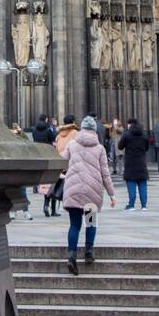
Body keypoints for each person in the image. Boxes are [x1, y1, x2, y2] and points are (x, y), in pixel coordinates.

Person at [61, 116, 116, 273]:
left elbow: (61, 161)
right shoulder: (99, 149)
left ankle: (71, 256)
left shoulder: (72, 144)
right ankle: (88, 253)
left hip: (74, 191)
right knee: (90, 223)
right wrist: (112, 194)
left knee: (74, 225)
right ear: (94, 130)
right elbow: (105, 173)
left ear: (81, 129)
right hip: (92, 192)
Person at [118, 117, 149, 209]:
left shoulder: (127, 135)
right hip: (141, 162)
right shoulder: (144, 135)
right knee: (142, 183)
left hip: (130, 163)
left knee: (131, 183)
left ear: (129, 124)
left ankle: (131, 205)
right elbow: (147, 148)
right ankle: (144, 205)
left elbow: (120, 146)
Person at [9, 122, 33, 219]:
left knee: (23, 191)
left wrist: (20, 133)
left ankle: (25, 211)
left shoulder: (22, 136)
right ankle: (13, 211)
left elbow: (27, 145)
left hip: (22, 167)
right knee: (13, 191)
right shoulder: (8, 137)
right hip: (12, 168)